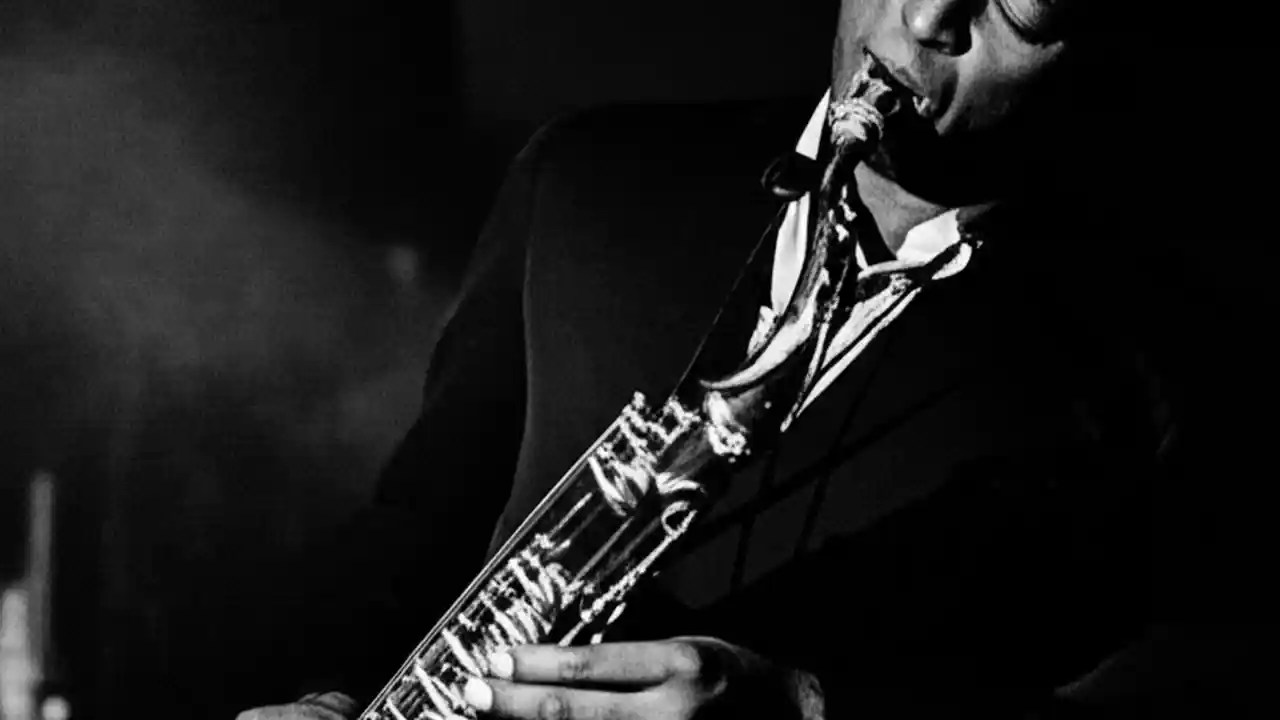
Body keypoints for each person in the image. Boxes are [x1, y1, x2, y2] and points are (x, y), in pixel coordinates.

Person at [236, 1, 1192, 717]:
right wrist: (328, 694)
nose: (924, 17)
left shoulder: (1147, 373)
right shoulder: (590, 176)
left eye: (1017, 8)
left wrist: (812, 708)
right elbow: (413, 535)